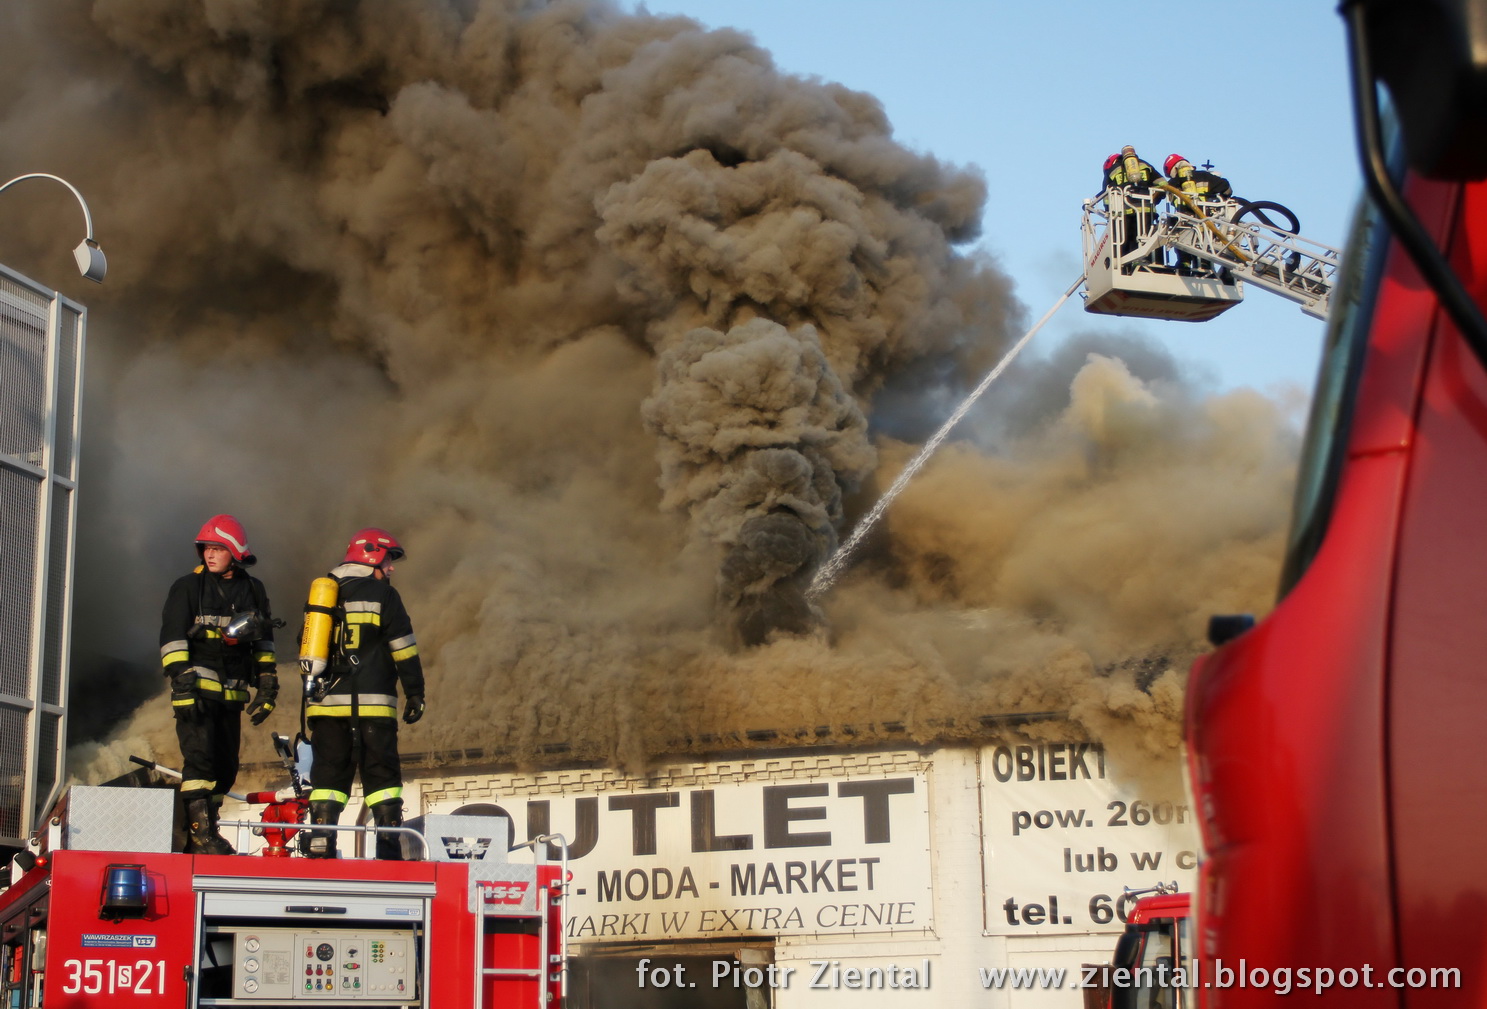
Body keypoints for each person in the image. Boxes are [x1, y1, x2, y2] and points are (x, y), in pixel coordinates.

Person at [160, 514, 279, 854]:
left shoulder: (253, 589)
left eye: (217, 548)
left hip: (232, 694)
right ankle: (200, 833)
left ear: (235, 551)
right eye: (206, 549)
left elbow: (264, 642)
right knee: (199, 762)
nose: (209, 555)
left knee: (225, 769)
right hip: (196, 691)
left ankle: (208, 826)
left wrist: (268, 683)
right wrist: (181, 683)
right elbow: (171, 638)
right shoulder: (187, 587)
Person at [304, 528, 425, 859]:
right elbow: (403, 648)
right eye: (388, 560)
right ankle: (387, 845)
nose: (391, 568)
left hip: (326, 706)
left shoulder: (323, 596)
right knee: (382, 775)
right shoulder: (384, 596)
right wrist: (415, 692)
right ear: (373, 557)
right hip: (373, 707)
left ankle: (321, 840)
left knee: (328, 775)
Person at [1163, 155, 1235, 273]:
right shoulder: (1205, 176)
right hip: (1207, 221)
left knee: (1183, 248)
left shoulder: (1173, 182)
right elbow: (1227, 189)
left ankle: (1184, 265)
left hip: (1185, 222)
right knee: (1206, 250)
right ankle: (1205, 267)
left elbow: (1165, 196)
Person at [1100, 146, 1165, 258]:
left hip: (1123, 213)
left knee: (1124, 242)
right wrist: (1155, 198)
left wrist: (1109, 213)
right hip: (1146, 211)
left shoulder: (1112, 171)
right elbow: (1164, 185)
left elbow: (1107, 196)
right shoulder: (1145, 165)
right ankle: (1147, 262)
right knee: (1146, 239)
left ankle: (1128, 265)